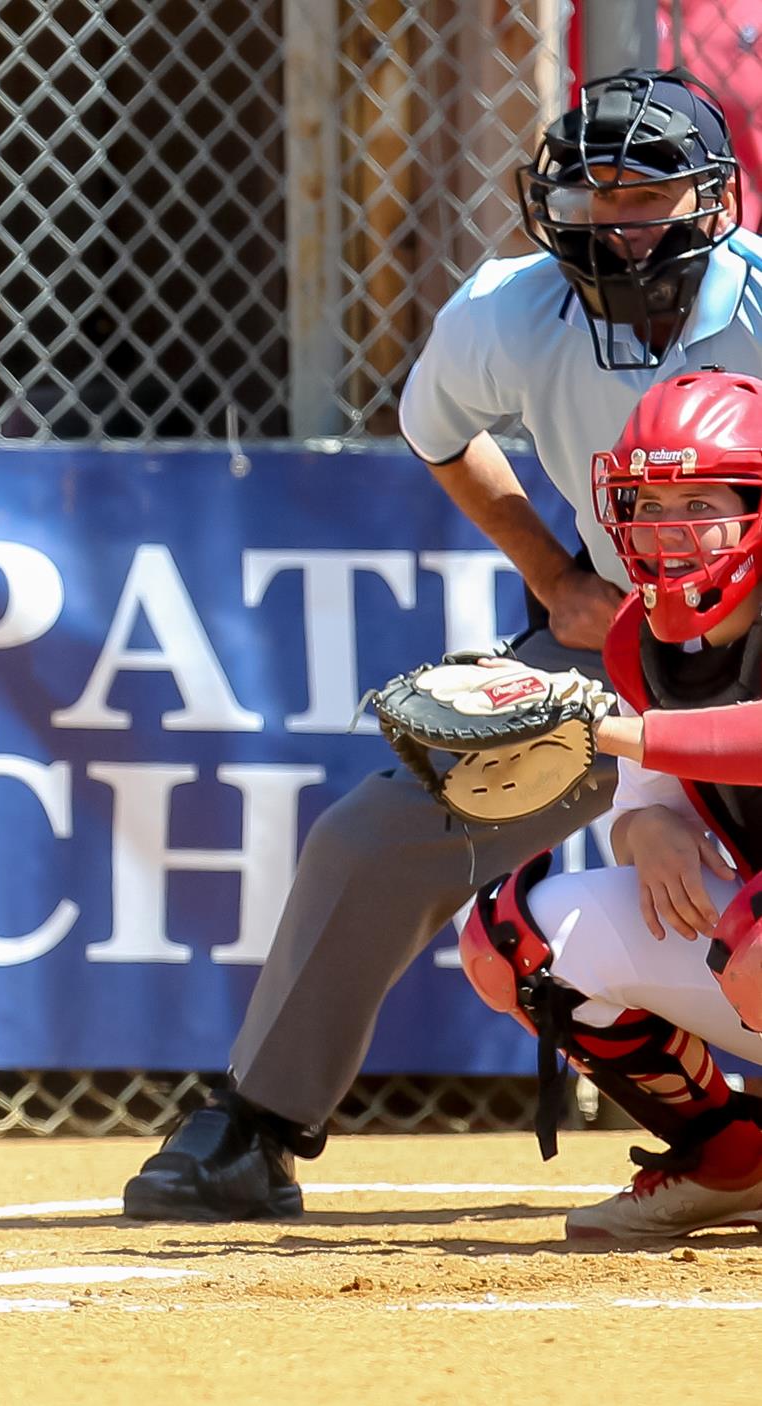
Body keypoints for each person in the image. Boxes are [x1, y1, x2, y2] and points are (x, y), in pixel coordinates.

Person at [123, 69, 762, 1221]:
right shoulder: (507, 311)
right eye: (590, 196)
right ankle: (257, 1121)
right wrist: (555, 577)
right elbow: (438, 432)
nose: (615, 224)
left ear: (710, 200)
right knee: (378, 832)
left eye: (646, 195)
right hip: (632, 626)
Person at [463, 367, 762, 1240]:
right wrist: (650, 826)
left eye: (699, 502)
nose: (670, 534)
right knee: (513, 941)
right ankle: (727, 1158)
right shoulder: (642, 635)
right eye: (650, 506)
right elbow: (645, 799)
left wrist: (618, 733)